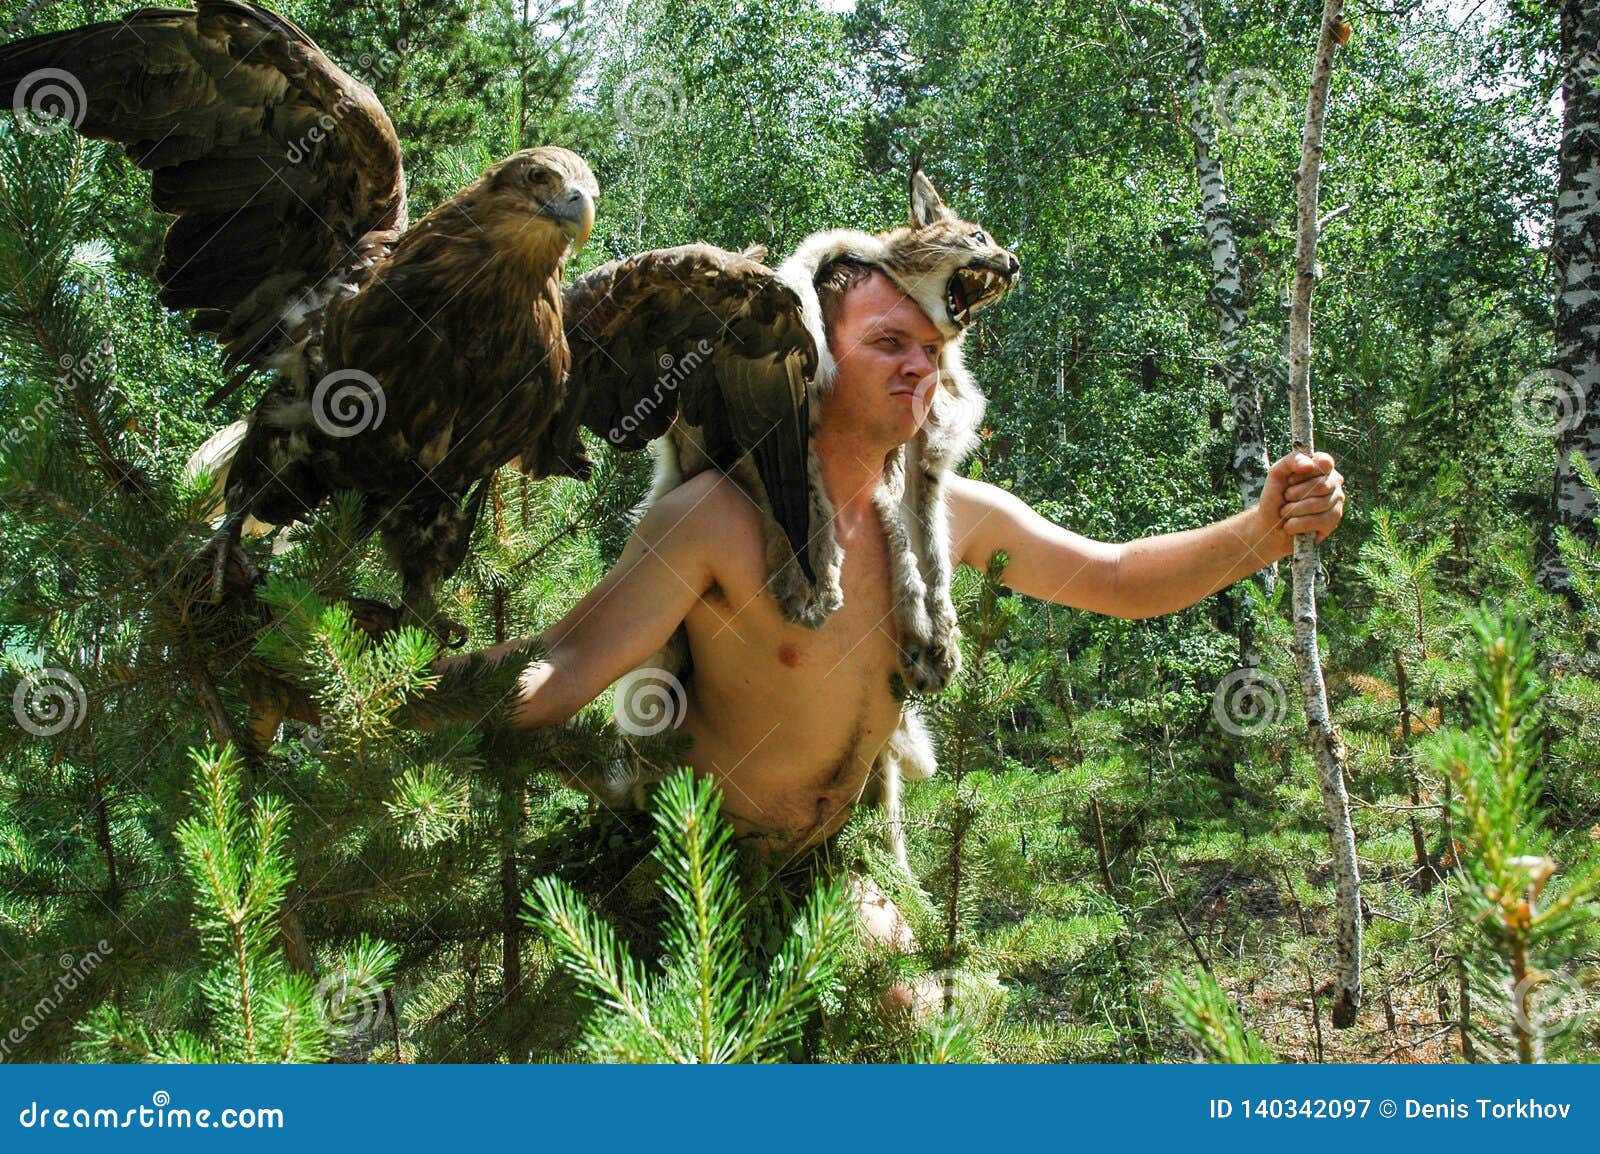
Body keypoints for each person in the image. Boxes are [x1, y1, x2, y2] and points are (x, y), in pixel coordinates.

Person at [446, 259, 1346, 1007]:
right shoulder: (717, 518)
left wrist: (1263, 530)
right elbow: (560, 665)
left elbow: (1114, 578)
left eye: (930, 348)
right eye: (887, 344)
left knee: (916, 1026)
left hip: (842, 863)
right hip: (689, 878)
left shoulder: (948, 521)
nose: (921, 367)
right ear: (816, 366)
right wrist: (355, 689)